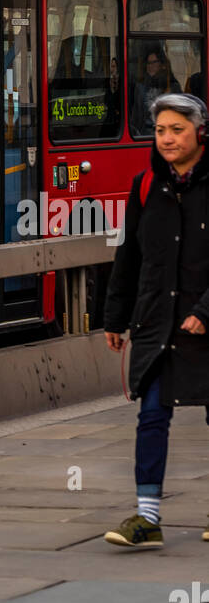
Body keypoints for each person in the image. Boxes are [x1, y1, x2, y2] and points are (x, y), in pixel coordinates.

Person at [103, 92, 209, 548]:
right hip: (157, 323)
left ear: (200, 133)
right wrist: (115, 316)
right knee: (151, 416)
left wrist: (205, 312)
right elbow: (130, 256)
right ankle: (147, 518)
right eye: (161, 130)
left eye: (177, 130)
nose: (167, 139)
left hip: (204, 323)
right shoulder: (146, 185)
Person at [130, 44, 181, 136]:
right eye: (148, 63)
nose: (150, 66)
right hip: (145, 136)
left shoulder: (172, 86)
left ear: (161, 64)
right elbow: (136, 117)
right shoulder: (141, 87)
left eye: (154, 62)